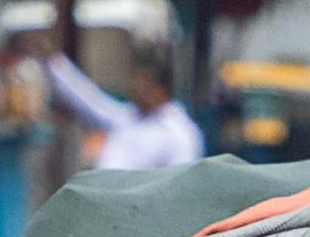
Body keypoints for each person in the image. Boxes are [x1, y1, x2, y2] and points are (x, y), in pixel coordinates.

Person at [43, 40, 205, 174]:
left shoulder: (180, 133)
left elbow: (181, 182)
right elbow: (90, 100)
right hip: (103, 197)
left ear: (162, 90)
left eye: (144, 86)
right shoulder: (126, 117)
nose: (137, 91)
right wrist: (57, 64)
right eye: (135, 85)